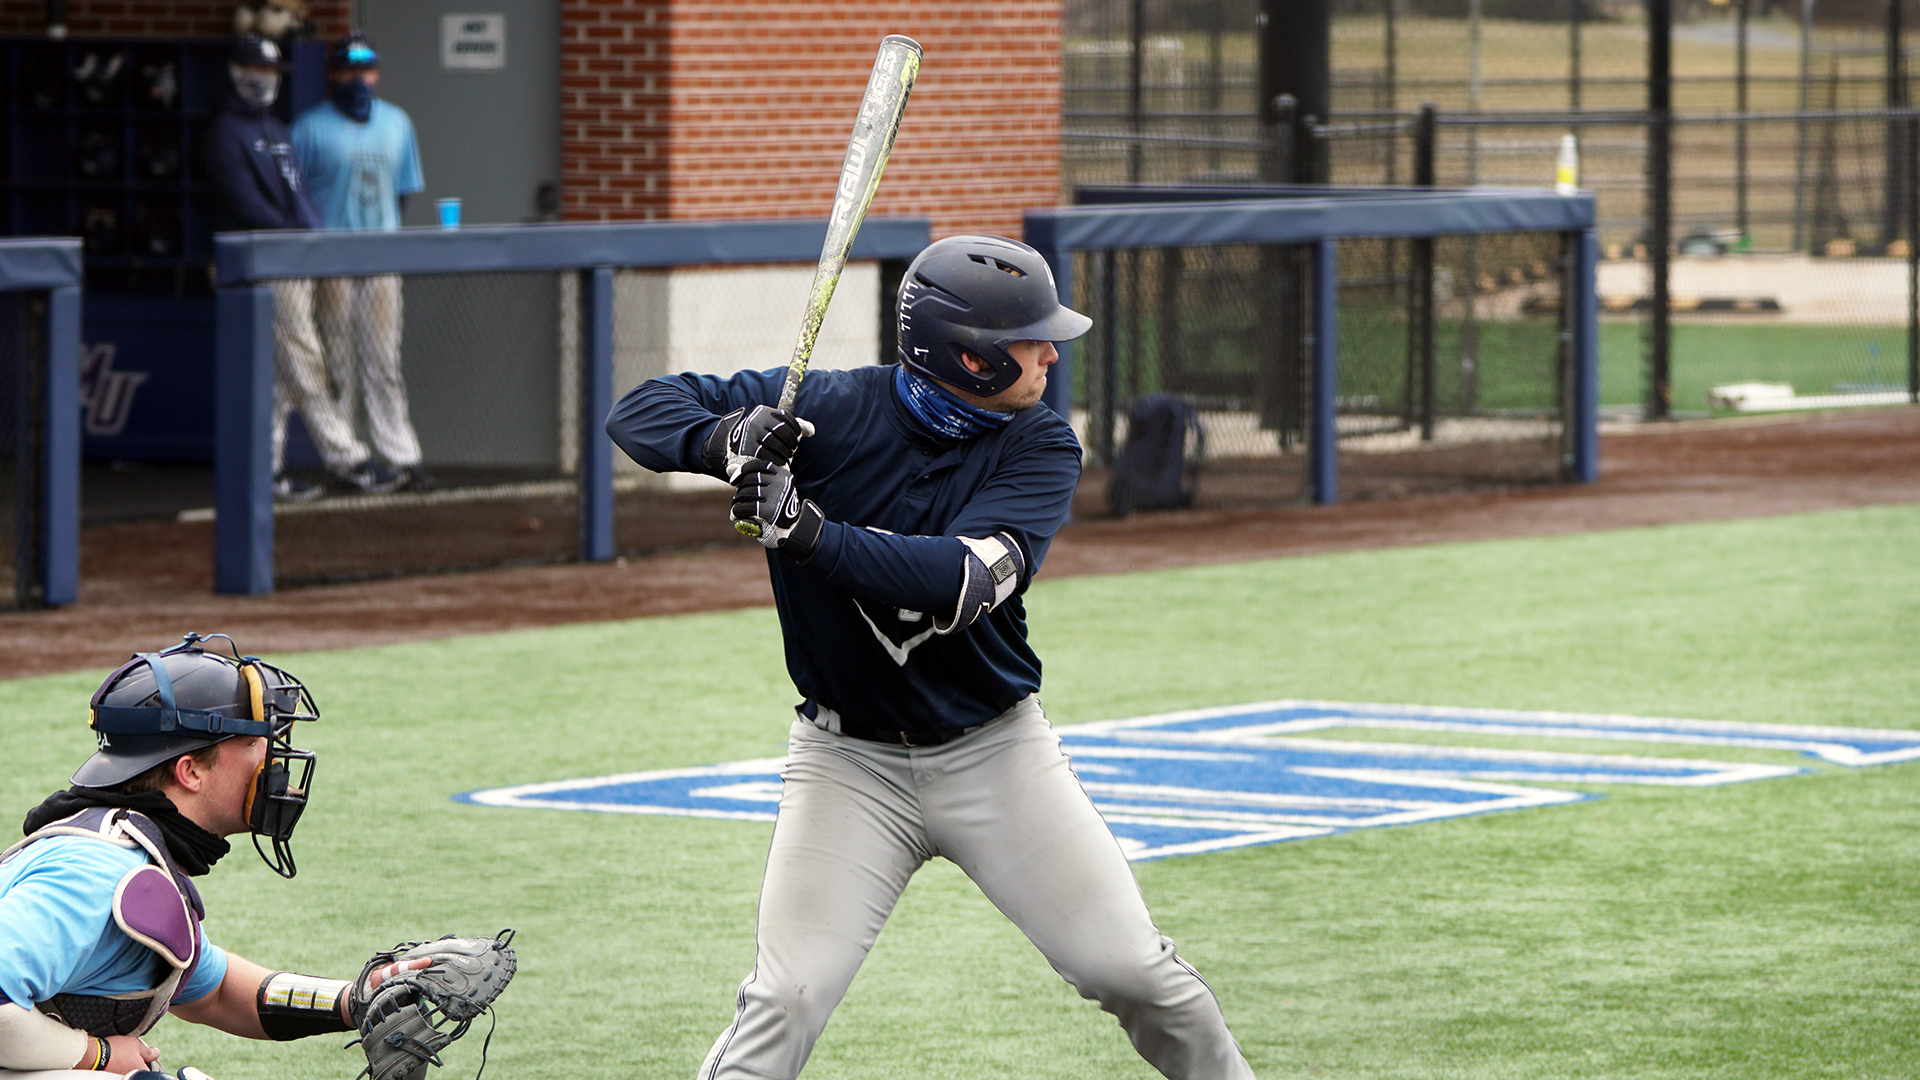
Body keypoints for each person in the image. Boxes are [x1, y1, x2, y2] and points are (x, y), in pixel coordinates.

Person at [605, 234, 1259, 1080]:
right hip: (848, 766)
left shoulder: (1041, 447)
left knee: (1135, 974)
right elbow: (639, 411)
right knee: (786, 999)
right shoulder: (829, 409)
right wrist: (725, 440)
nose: (1050, 354)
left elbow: (958, 584)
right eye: (1029, 339)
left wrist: (806, 533)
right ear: (969, 355)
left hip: (997, 757)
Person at [0, 634, 426, 1079]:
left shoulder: (137, 856)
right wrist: (96, 1056)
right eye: (254, 742)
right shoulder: (97, 871)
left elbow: (218, 992)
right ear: (191, 771)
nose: (273, 760)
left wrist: (356, 998)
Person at [203, 34, 384, 502]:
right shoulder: (225, 130)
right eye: (255, 71)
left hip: (300, 260)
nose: (263, 81)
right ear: (236, 71)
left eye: (271, 73)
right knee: (305, 360)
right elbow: (245, 204)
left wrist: (314, 242)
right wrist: (299, 240)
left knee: (278, 380)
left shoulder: (275, 128)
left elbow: (300, 199)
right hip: (266, 264)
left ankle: (266, 472)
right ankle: (349, 459)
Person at [292, 34, 435, 493]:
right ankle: (348, 460)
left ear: (377, 73)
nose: (357, 79)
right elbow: (294, 200)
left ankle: (402, 457)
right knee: (334, 361)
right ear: (332, 75)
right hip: (330, 261)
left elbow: (404, 191)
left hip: (380, 258)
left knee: (383, 362)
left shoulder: (397, 123)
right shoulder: (309, 127)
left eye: (365, 70)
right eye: (347, 70)